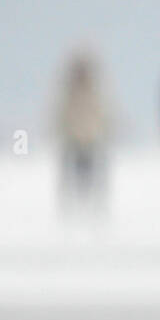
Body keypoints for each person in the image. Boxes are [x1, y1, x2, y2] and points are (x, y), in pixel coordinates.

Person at [56, 50, 109, 211]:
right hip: (73, 138)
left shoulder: (94, 89)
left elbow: (102, 112)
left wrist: (104, 129)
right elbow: (61, 112)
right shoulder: (68, 90)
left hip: (90, 138)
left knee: (91, 174)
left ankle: (92, 204)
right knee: (71, 175)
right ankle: (71, 204)